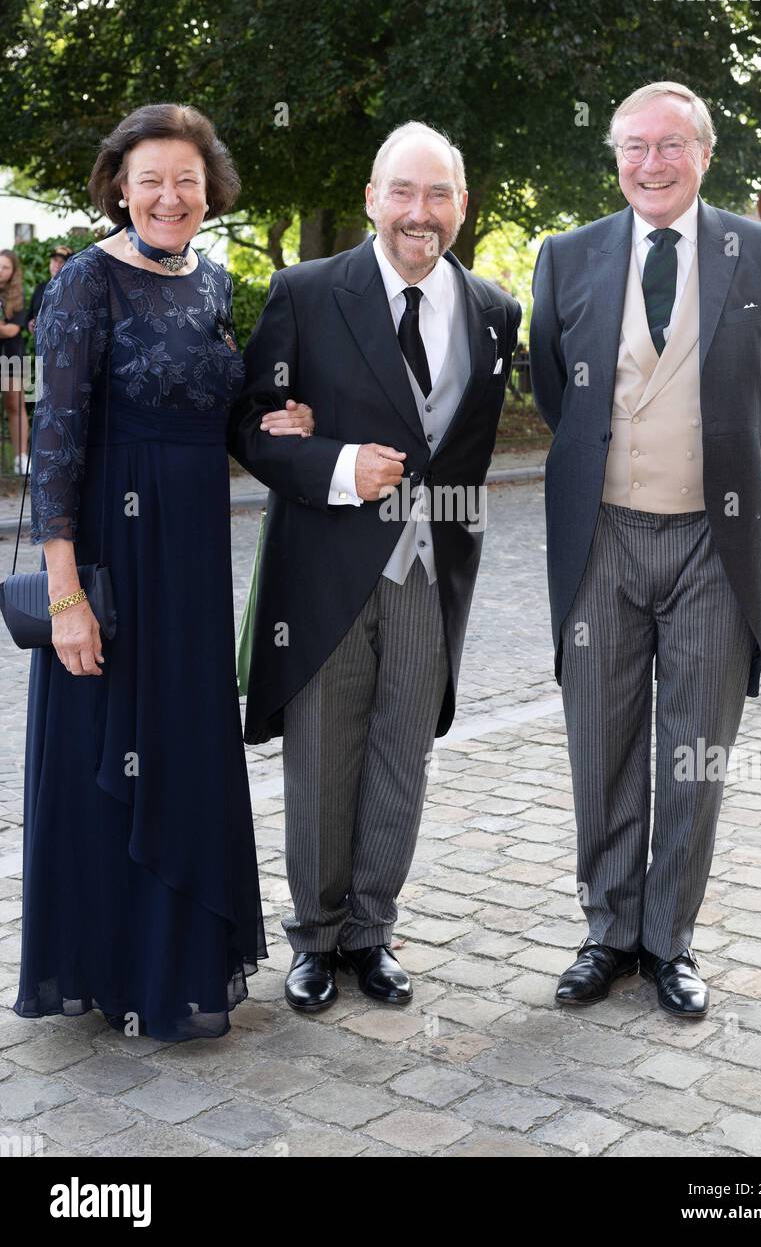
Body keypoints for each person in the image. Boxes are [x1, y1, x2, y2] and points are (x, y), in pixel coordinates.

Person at [14, 103, 310, 1042]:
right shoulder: (82, 286)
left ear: (209, 188)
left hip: (189, 554)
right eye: (150, 179)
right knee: (113, 743)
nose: (169, 196)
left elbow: (213, 416)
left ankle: (174, 960)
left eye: (186, 179)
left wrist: (273, 423)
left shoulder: (214, 282)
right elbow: (52, 452)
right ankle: (112, 966)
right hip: (110, 550)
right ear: (120, 188)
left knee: (181, 738)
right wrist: (66, 598)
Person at [530, 82, 761, 1018]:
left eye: (668, 146)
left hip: (713, 543)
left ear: (703, 154)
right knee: (600, 747)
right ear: (614, 158)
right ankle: (607, 934)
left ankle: (668, 942)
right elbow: (551, 388)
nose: (649, 164)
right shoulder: (567, 256)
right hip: (601, 538)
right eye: (631, 148)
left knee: (697, 749)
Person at [228, 121, 521, 1012]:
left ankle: (371, 932)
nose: (419, 213)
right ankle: (314, 942)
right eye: (403, 191)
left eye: (439, 195)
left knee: (404, 756)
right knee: (322, 758)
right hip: (328, 573)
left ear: (462, 208)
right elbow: (251, 427)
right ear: (371, 198)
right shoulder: (307, 294)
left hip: (434, 574)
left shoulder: (495, 312)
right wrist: (334, 465)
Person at [0, 248, 30, 474]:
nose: (1, 271)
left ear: (13, 271)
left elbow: (11, 331)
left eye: (6, 267)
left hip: (13, 355)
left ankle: (22, 458)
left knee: (15, 405)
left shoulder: (18, 294)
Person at [27, 244, 74, 334]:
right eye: (55, 260)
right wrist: (30, 323)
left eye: (62, 261)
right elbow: (29, 315)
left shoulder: (74, 290)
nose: (57, 264)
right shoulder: (40, 288)